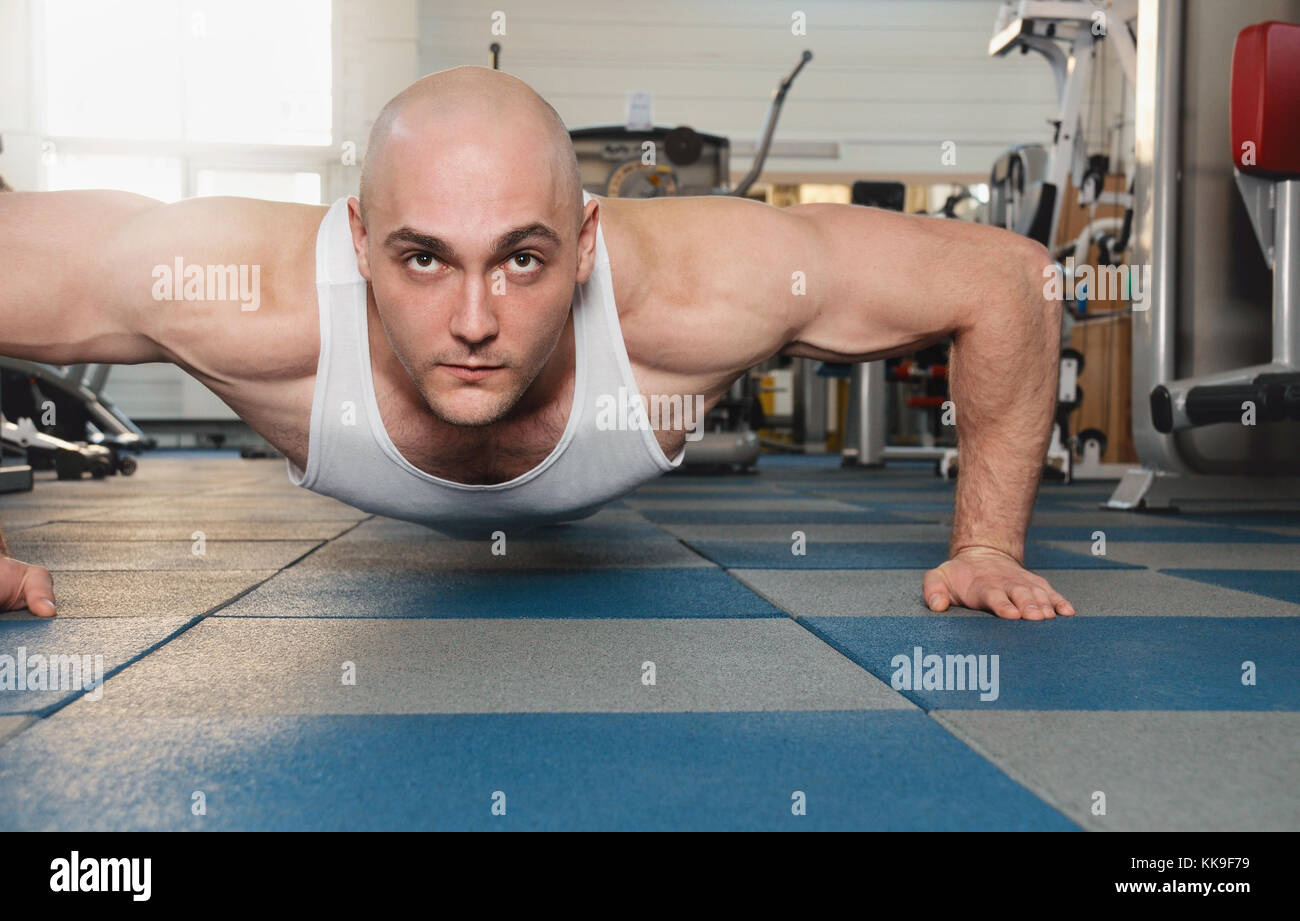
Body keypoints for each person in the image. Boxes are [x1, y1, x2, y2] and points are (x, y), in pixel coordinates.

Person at [0, 66, 1074, 621]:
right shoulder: (239, 290)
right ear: (361, 241)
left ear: (588, 242)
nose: (473, 320)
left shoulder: (709, 284)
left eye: (521, 258)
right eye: (423, 259)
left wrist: (987, 546)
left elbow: (1010, 279)